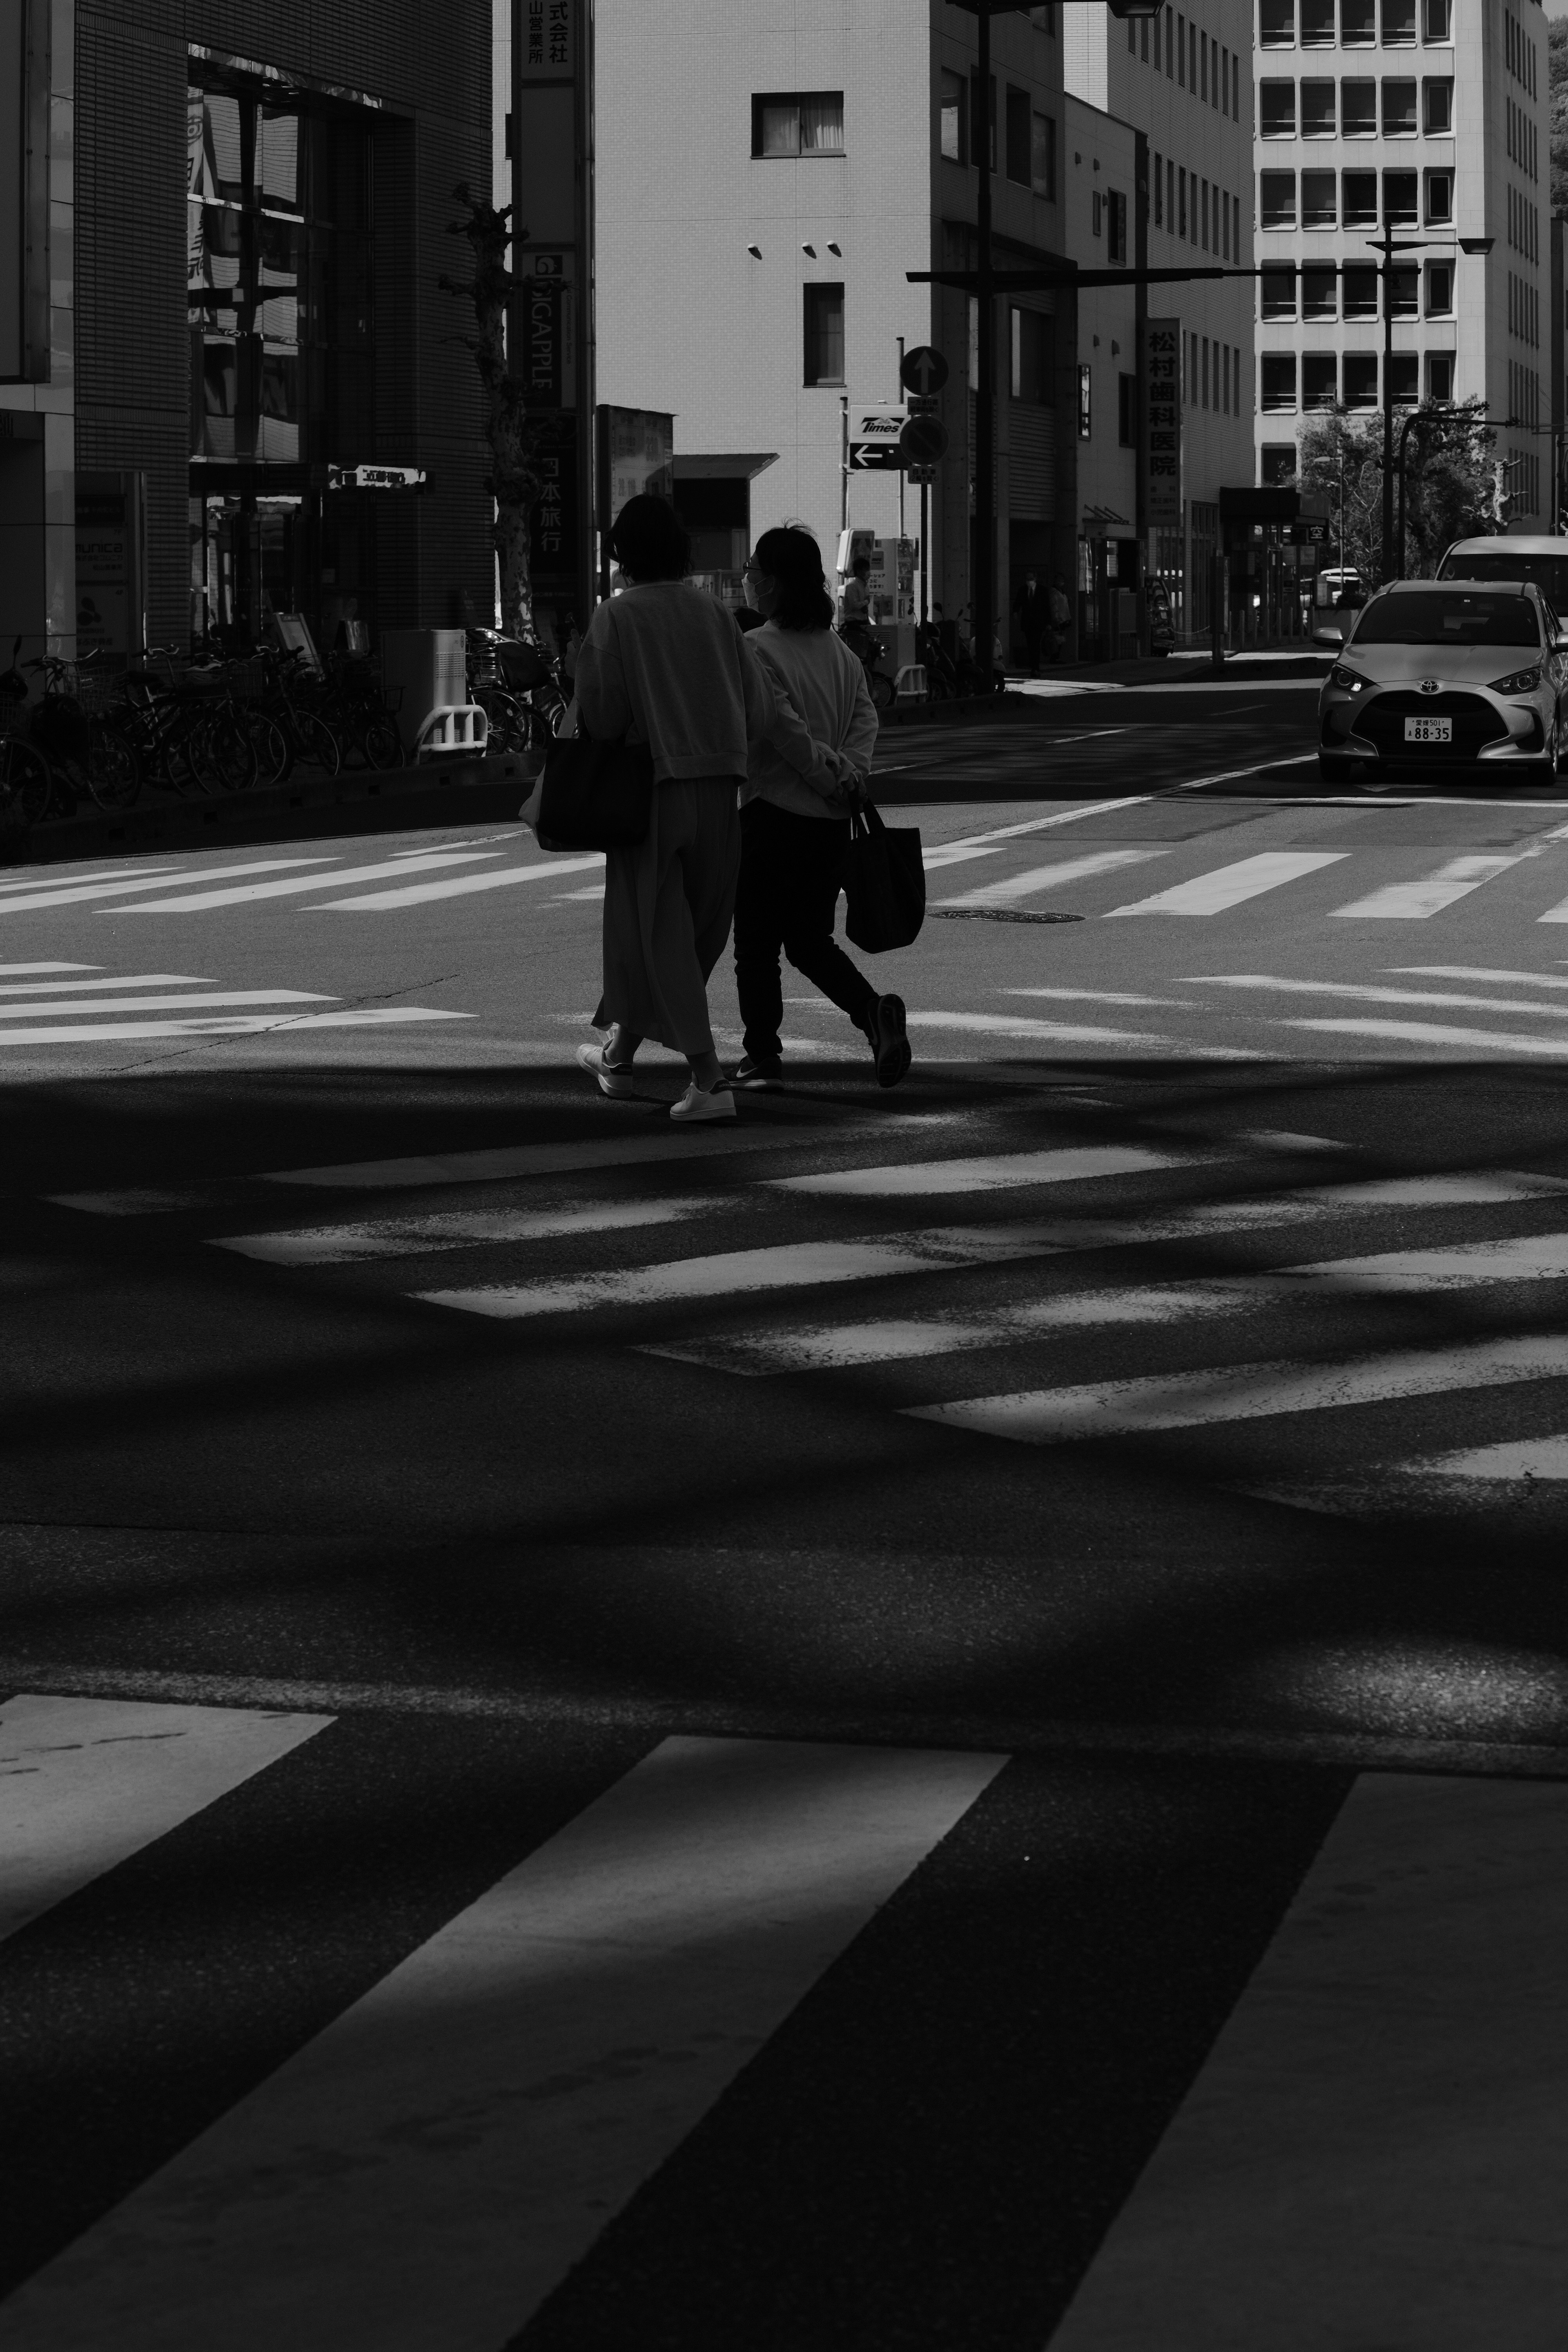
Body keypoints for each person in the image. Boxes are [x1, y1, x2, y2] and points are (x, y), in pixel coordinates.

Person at [571, 494, 852, 1123]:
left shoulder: (615, 619)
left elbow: (606, 717)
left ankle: (709, 1081)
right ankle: (618, 1056)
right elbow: (758, 712)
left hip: (653, 794)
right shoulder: (717, 615)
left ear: (623, 554)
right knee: (689, 936)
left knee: (655, 932)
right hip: (723, 796)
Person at [732, 526, 911, 1091]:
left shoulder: (759, 647)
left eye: (756, 569)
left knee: (756, 947)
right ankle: (872, 1011)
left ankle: (763, 1056)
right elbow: (864, 721)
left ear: (776, 582)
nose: (749, 577)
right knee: (809, 940)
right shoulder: (838, 650)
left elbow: (784, 733)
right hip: (831, 825)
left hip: (774, 815)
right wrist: (850, 776)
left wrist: (828, 777)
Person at [1013, 571, 1047, 674]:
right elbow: (1018, 603)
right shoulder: (1023, 590)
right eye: (1028, 579)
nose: (1029, 582)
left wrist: (1048, 623)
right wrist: (1015, 612)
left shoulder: (1042, 590)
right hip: (1028, 622)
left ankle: (1035, 666)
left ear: (1035, 578)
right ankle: (1033, 665)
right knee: (1030, 644)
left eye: (1031, 579)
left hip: (1039, 622)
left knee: (1036, 643)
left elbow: (1047, 607)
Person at [1047, 574, 1071, 663]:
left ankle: (1057, 656)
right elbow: (1054, 605)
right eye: (1059, 580)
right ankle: (1054, 657)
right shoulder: (1054, 592)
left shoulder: (1062, 592)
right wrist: (1056, 618)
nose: (1061, 582)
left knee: (1061, 639)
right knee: (1057, 639)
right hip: (1058, 618)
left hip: (1064, 618)